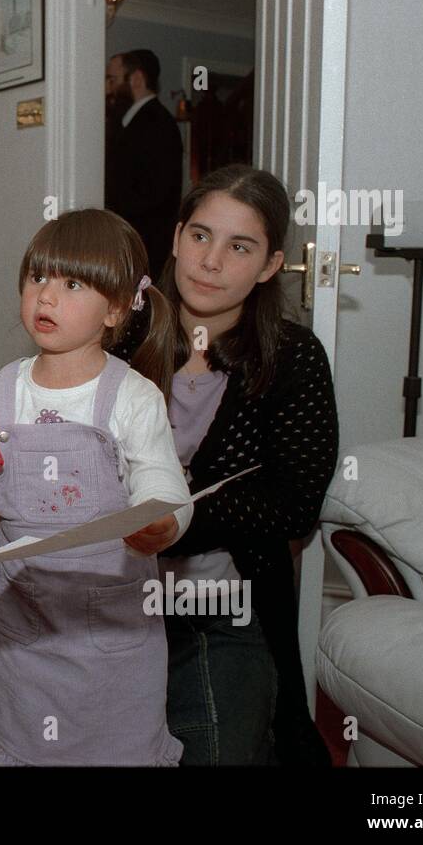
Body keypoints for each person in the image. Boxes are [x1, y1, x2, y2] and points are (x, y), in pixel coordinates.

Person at [0, 210, 192, 765]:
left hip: (106, 610)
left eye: (71, 284)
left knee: (108, 736)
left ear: (117, 309)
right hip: (19, 609)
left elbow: (162, 479)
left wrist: (161, 521)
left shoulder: (132, 396)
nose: (46, 297)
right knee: (22, 728)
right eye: (37, 279)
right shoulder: (3, 389)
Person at [109, 164, 339, 765]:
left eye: (240, 247)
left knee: (215, 753)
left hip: (222, 609)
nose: (211, 262)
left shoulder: (293, 358)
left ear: (268, 266)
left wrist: (171, 518)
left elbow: (293, 504)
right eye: (201, 235)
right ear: (178, 237)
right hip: (112, 599)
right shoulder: (120, 340)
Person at [104, 49, 183, 278]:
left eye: (113, 80)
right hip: (128, 246)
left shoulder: (158, 124)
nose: (108, 88)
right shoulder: (127, 122)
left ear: (136, 79)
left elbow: (155, 194)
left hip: (146, 250)